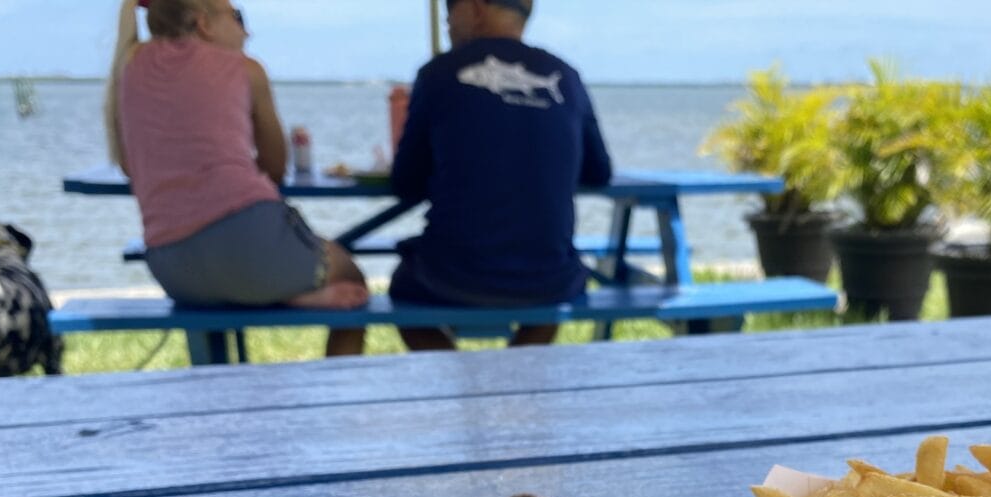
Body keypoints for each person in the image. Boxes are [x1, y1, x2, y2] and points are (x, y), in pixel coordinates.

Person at [104, 0, 368, 357]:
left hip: (173, 270)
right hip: (252, 247)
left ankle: (286, 293)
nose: (247, 31)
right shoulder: (246, 70)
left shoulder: (130, 65)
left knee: (237, 280)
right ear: (203, 23)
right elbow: (275, 167)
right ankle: (299, 314)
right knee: (351, 277)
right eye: (238, 17)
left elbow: (129, 165)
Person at [390, 0, 612, 350]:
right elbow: (600, 173)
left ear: (475, 9)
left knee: (401, 289)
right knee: (556, 294)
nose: (447, 23)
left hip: (452, 275)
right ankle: (515, 373)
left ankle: (464, 379)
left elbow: (405, 180)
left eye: (451, 11)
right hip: (549, 277)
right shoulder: (566, 76)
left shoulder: (438, 74)